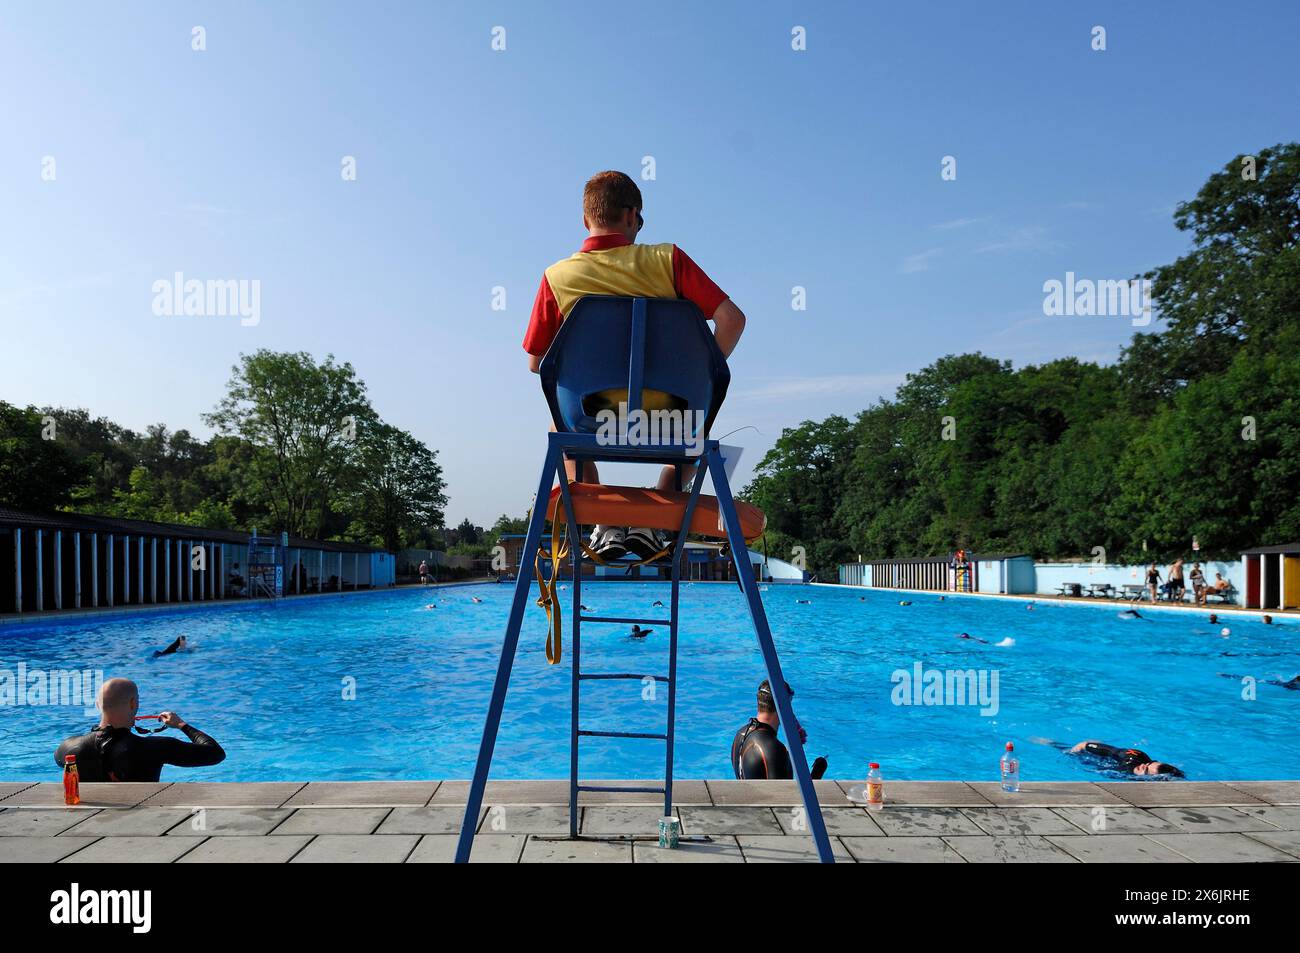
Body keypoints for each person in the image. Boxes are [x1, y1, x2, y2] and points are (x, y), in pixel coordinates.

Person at [523, 171, 746, 561]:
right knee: (697, 430)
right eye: (640, 222)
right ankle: (656, 517)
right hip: (671, 416)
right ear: (631, 216)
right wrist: (702, 370)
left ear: (585, 220)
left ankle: (602, 522)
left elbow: (536, 362)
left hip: (592, 417)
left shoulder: (556, 277)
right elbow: (732, 320)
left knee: (557, 423)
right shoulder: (668, 259)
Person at [54, 678, 225, 782]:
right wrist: (181, 725)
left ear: (98, 705)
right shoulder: (154, 748)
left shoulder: (69, 748)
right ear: (133, 704)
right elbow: (215, 753)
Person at [730, 679, 826, 781]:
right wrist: (817, 772)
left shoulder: (740, 734)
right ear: (784, 706)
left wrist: (791, 748)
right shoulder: (776, 750)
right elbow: (784, 796)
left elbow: (759, 769)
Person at [1066, 740, 1184, 778]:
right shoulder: (1134, 757)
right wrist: (1084, 746)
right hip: (1094, 758)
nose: (1143, 766)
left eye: (1146, 771)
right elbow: (1109, 750)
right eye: (1148, 764)